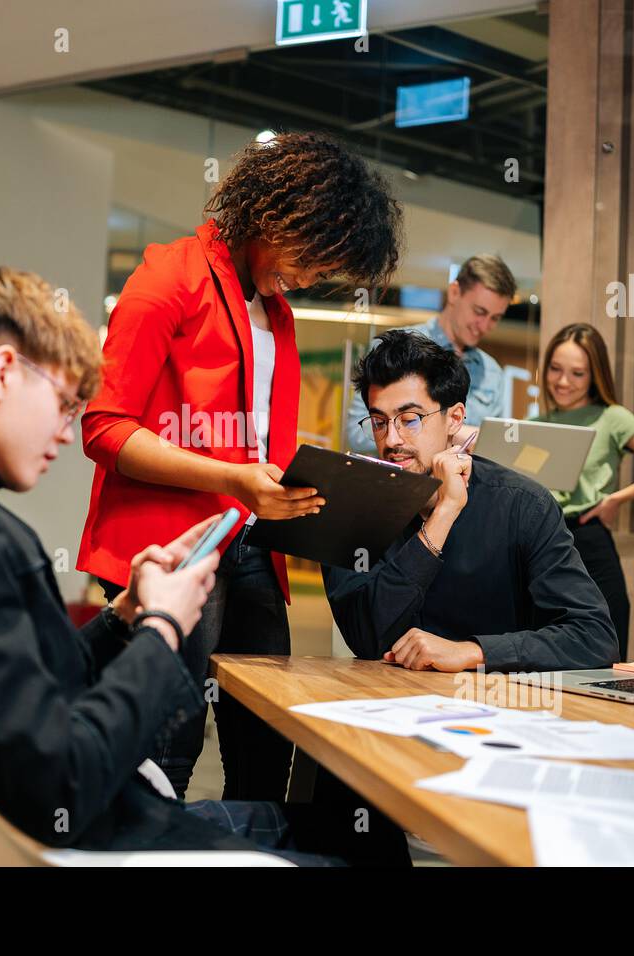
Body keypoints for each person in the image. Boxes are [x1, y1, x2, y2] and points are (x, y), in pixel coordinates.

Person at [0, 268, 403, 865]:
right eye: (67, 404)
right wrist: (164, 628)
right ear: (3, 373)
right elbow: (63, 779)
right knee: (366, 841)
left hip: (93, 818)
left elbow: (34, 686)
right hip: (99, 839)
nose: (69, 434)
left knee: (361, 827)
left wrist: (125, 616)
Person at [77, 131, 403, 801]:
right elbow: (104, 427)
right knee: (168, 745)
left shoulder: (276, 312)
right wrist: (231, 478)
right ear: (277, 214)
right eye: (313, 256)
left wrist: (311, 488)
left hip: (249, 544)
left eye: (328, 268)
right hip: (175, 547)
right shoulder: (169, 278)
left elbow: (259, 448)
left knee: (264, 743)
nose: (313, 277)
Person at [324, 330, 618, 672]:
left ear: (455, 418)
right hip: (382, 702)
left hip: (498, 707)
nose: (391, 439)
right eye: (378, 422)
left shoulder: (523, 505)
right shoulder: (351, 506)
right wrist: (443, 514)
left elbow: (594, 637)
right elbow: (366, 636)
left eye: (410, 420)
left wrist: (473, 652)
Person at [531, 323, 634, 660]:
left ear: (595, 375)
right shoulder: (538, 422)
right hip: (540, 543)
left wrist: (617, 499)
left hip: (589, 542)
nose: (563, 382)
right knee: (541, 648)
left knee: (607, 651)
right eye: (555, 369)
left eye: (577, 373)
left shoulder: (612, 418)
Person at [345, 254, 515, 454]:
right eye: (479, 311)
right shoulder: (397, 348)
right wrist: (453, 433)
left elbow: (492, 451)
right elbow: (356, 433)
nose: (485, 326)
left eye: (494, 318)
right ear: (454, 293)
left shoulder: (492, 373)